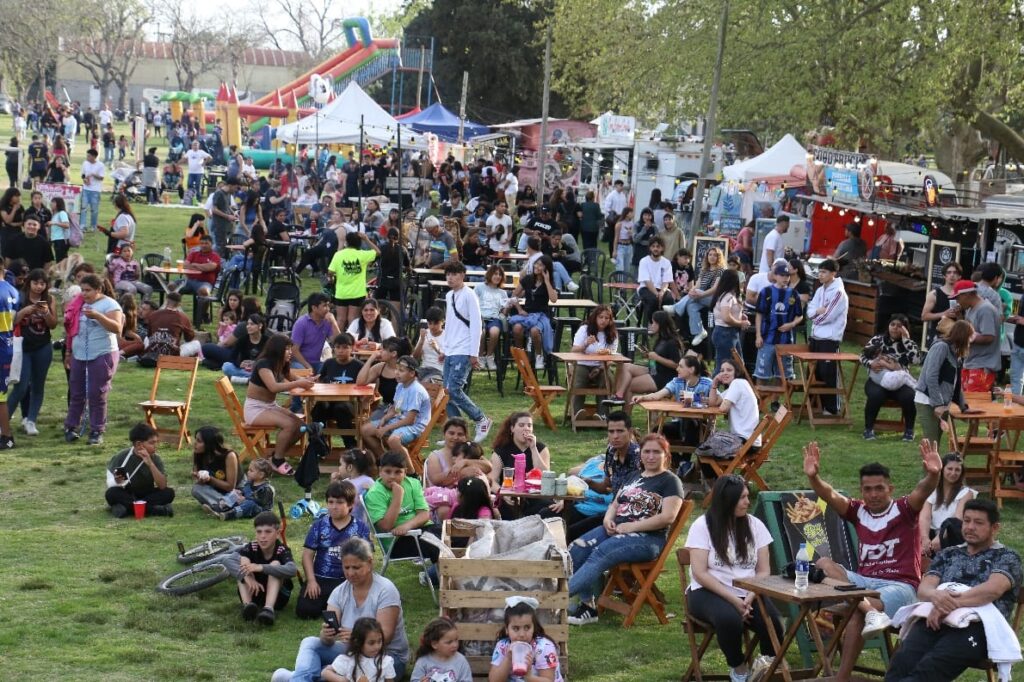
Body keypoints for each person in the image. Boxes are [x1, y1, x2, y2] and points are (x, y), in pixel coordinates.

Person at [802, 439, 942, 682]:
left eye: (879, 488)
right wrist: (814, 478)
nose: (873, 494)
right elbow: (830, 494)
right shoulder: (858, 511)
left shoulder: (904, 509)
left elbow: (923, 489)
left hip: (900, 585)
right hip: (863, 583)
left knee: (858, 613)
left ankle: (841, 678)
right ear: (861, 490)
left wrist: (934, 475)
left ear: (890, 488)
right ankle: (867, 608)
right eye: (867, 489)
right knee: (823, 563)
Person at [885, 498, 1022, 682]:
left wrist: (946, 605)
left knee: (929, 669)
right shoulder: (949, 554)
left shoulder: (1007, 557)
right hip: (935, 619)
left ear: (994, 528)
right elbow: (924, 589)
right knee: (901, 661)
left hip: (979, 628)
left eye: (978, 522)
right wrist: (936, 596)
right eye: (967, 520)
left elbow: (992, 590)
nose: (970, 527)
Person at [567, 433, 684, 626]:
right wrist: (607, 520)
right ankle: (587, 606)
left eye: (657, 452)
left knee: (601, 552)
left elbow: (667, 517)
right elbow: (614, 504)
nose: (651, 456)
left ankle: (554, 600)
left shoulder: (670, 481)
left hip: (647, 539)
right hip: (617, 530)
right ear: (640, 454)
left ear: (666, 455)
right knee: (577, 548)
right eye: (647, 451)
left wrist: (631, 527)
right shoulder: (634, 476)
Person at [685, 475, 784, 682]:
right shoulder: (702, 526)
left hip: (749, 591)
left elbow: (764, 571)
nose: (748, 502)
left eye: (747, 496)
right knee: (729, 619)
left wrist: (750, 596)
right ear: (727, 500)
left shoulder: (755, 525)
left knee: (773, 622)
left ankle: (765, 669)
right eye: (742, 498)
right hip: (708, 591)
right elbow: (700, 573)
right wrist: (733, 600)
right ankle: (739, 670)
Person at [272, 538, 410, 682]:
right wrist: (326, 635)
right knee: (310, 643)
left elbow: (386, 636)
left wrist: (358, 638)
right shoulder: (339, 592)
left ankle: (291, 677)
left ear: (369, 563)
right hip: (352, 653)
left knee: (335, 675)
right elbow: (329, 639)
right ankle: (299, 678)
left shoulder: (385, 590)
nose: (350, 573)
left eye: (356, 567)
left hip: (386, 656)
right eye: (346, 567)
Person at [295, 480, 371, 620]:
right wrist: (311, 581)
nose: (334, 506)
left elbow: (366, 560)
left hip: (348, 580)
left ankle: (336, 605)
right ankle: (329, 604)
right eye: (330, 502)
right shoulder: (318, 526)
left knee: (358, 611)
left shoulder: (361, 528)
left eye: (340, 502)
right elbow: (307, 555)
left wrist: (360, 583)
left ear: (351, 505)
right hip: (320, 578)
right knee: (305, 611)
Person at [244, 334, 316, 476]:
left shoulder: (281, 364)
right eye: (287, 349)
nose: (290, 352)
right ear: (277, 349)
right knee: (289, 425)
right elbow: (273, 387)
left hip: (270, 405)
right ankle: (278, 460)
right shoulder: (263, 364)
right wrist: (298, 383)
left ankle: (276, 455)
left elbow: (294, 378)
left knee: (301, 426)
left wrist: (308, 380)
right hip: (255, 409)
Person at [64, 274, 123, 445]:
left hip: (102, 354)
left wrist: (98, 316)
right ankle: (71, 427)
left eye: (88, 290)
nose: (84, 293)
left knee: (97, 393)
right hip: (79, 354)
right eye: (82, 290)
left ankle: (97, 430)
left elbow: (117, 328)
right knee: (76, 392)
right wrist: (68, 352)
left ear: (98, 289)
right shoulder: (79, 303)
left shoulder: (110, 304)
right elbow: (71, 329)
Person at [441, 261, 493, 442]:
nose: (450, 278)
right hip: (451, 349)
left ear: (462, 275)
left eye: (454, 274)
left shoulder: (469, 295)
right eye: (448, 274)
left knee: (454, 389)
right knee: (447, 393)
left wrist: (474, 353)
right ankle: (457, 433)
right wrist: (444, 348)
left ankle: (481, 419)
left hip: (464, 349)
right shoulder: (449, 295)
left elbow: (477, 325)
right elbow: (449, 324)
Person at [568, 411, 640, 540]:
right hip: (611, 510)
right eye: (611, 431)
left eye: (620, 431)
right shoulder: (611, 452)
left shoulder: (637, 456)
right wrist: (588, 482)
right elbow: (605, 488)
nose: (615, 436)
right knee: (558, 521)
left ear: (630, 432)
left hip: (627, 515)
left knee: (571, 533)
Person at [225, 511, 297, 626]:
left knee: (275, 564)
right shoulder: (251, 547)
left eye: (268, 531)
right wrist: (247, 577)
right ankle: (248, 607)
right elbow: (227, 560)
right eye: (259, 532)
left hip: (278, 598)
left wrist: (261, 567)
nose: (263, 536)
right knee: (243, 568)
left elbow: (292, 570)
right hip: (254, 593)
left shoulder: (282, 550)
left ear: (278, 533)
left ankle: (268, 609)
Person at [360, 356, 432, 470]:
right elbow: (395, 408)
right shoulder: (400, 385)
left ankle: (411, 472)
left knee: (393, 440)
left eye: (401, 370)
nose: (397, 373)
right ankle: (385, 460)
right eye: (396, 369)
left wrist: (386, 428)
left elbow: (410, 420)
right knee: (365, 430)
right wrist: (385, 418)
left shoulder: (416, 390)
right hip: (399, 420)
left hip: (414, 426)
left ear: (412, 373)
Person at [8, 268, 56, 436]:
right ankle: (4, 421)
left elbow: (53, 324)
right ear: (29, 283)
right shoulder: (19, 297)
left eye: (42, 283)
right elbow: (11, 321)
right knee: (21, 387)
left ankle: (31, 420)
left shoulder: (49, 299)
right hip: (23, 347)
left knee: (38, 385)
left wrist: (46, 313)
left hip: (43, 346)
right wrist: (24, 311)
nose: (39, 287)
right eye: (36, 283)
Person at [860, 314, 923, 441]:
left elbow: (917, 360)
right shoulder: (878, 339)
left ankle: (909, 430)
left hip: (899, 381)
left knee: (909, 396)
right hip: (878, 379)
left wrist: (906, 340)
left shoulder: (908, 344)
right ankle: (868, 429)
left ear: (905, 329)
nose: (895, 328)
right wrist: (871, 364)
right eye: (892, 324)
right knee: (876, 395)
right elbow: (862, 356)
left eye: (899, 326)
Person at [915, 320, 972, 449]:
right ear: (963, 336)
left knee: (936, 445)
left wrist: (963, 407)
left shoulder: (956, 353)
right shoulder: (941, 347)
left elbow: (956, 383)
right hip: (927, 401)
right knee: (931, 445)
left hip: (942, 403)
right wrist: (938, 404)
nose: (970, 341)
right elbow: (931, 376)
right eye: (969, 337)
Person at [607, 310, 683, 407]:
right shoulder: (660, 339)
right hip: (654, 371)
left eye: (654, 323)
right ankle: (618, 395)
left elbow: (676, 365)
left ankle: (620, 402)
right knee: (625, 366)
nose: (651, 325)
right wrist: (649, 357)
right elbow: (654, 362)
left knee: (629, 385)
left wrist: (657, 358)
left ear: (661, 324)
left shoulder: (672, 342)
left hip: (664, 377)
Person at [488, 412, 557, 518]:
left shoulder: (540, 448)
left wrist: (533, 448)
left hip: (536, 496)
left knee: (548, 509)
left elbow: (545, 476)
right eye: (521, 425)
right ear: (512, 429)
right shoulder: (501, 450)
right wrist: (503, 493)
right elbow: (491, 480)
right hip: (510, 495)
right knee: (503, 509)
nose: (526, 428)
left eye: (529, 425)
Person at [104, 422, 176, 517]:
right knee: (111, 493)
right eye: (152, 443)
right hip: (128, 493)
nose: (156, 446)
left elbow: (162, 486)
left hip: (147, 493)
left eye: (156, 442)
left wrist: (150, 464)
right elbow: (111, 483)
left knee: (169, 493)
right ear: (139, 444)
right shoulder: (121, 457)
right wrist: (117, 481)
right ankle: (155, 510)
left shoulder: (155, 459)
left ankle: (125, 508)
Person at [806, 259, 848, 414]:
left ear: (833, 273)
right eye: (819, 271)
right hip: (815, 337)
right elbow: (810, 310)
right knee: (813, 372)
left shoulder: (839, 293)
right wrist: (817, 312)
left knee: (827, 373)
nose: (820, 275)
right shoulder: (819, 290)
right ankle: (815, 405)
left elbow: (829, 316)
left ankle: (831, 408)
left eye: (824, 272)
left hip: (829, 339)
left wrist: (815, 317)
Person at [489, 597, 565, 681]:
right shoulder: (502, 646)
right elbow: (494, 680)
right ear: (507, 629)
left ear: (534, 627)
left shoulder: (544, 647)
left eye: (527, 627)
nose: (522, 634)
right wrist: (508, 658)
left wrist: (529, 677)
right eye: (516, 628)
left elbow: (549, 680)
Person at [753, 261, 802, 384]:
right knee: (762, 373)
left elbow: (800, 315)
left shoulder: (793, 293)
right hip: (767, 339)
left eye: (787, 275)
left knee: (783, 375)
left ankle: (777, 396)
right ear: (774, 276)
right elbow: (759, 314)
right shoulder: (766, 292)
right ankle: (760, 395)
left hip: (785, 341)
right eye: (782, 275)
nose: (785, 278)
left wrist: (791, 324)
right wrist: (758, 335)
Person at [919, 453, 976, 559]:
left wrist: (940, 537)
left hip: (951, 535)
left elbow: (957, 519)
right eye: (950, 469)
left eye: (957, 470)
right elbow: (925, 517)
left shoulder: (966, 493)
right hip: (931, 533)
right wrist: (925, 538)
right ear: (942, 469)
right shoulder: (931, 490)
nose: (953, 473)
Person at [313, 333, 365, 446]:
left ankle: (350, 444)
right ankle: (318, 443)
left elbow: (368, 384)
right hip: (329, 402)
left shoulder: (359, 365)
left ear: (352, 348)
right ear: (334, 349)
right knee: (319, 407)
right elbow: (319, 380)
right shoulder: (328, 363)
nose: (341, 351)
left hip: (350, 404)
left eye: (345, 347)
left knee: (341, 408)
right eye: (338, 347)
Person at [509, 255, 559, 370]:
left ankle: (538, 355)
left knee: (535, 331)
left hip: (542, 315)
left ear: (546, 268)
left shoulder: (549, 282)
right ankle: (521, 355)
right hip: (528, 314)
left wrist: (547, 281)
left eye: (541, 265)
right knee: (516, 328)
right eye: (536, 263)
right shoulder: (528, 279)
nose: (537, 266)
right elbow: (514, 295)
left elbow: (554, 299)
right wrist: (519, 309)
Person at [666, 246, 725, 345]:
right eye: (710, 255)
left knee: (696, 293)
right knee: (691, 306)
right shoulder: (704, 269)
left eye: (715, 255)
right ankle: (700, 332)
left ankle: (675, 308)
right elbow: (697, 285)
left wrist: (700, 294)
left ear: (719, 257)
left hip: (714, 298)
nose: (712, 257)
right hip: (702, 297)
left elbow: (715, 288)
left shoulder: (721, 270)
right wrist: (691, 291)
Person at [569, 304, 618, 419]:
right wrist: (585, 344)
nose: (603, 320)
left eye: (606, 318)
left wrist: (600, 368)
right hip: (583, 364)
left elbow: (612, 356)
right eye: (601, 317)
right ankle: (577, 414)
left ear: (610, 320)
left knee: (605, 380)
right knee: (579, 382)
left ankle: (602, 415)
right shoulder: (584, 329)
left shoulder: (612, 334)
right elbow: (574, 350)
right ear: (595, 317)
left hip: (601, 366)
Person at [951, 279, 1001, 393]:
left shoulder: (985, 309)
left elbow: (989, 337)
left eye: (958, 298)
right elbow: (968, 329)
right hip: (971, 363)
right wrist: (959, 317)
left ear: (967, 295)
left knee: (974, 402)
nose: (957, 302)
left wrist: (965, 337)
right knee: (964, 400)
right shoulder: (971, 308)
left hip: (982, 366)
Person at [329, 232, 381, 331]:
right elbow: (378, 252)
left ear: (347, 242)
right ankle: (352, 339)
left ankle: (337, 339)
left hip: (341, 293)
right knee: (352, 319)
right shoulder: (362, 254)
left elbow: (330, 271)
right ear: (359, 243)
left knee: (340, 319)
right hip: (357, 293)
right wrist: (366, 239)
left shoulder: (338, 254)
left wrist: (331, 279)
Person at [321, 617, 397, 682]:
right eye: (371, 643)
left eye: (379, 641)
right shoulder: (348, 659)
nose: (377, 646)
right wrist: (343, 680)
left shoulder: (385, 662)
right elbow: (325, 672)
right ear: (358, 642)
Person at [707, 359, 761, 446]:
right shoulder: (737, 385)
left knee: (705, 443)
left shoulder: (737, 383)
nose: (724, 373)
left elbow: (723, 408)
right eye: (722, 371)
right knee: (707, 441)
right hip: (749, 440)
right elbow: (713, 403)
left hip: (745, 441)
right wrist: (714, 383)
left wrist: (724, 402)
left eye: (729, 370)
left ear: (737, 372)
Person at [203, 458, 275, 521]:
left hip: (260, 512)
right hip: (245, 503)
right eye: (249, 470)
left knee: (250, 504)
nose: (248, 472)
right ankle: (219, 507)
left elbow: (260, 501)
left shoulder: (266, 489)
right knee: (235, 494)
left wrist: (244, 499)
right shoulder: (249, 483)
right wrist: (239, 492)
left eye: (251, 471)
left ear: (261, 475)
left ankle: (228, 515)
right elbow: (244, 491)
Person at [189, 425, 241, 509]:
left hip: (236, 492)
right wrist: (199, 477)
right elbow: (200, 482)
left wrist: (210, 479)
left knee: (235, 494)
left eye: (199, 441)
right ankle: (224, 505)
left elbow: (230, 487)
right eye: (196, 439)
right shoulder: (199, 454)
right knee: (196, 489)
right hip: (215, 491)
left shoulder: (229, 456)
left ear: (209, 444)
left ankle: (224, 505)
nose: (195, 443)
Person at [709, 269, 750, 373]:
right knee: (723, 366)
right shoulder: (727, 297)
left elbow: (729, 312)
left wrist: (740, 316)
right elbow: (726, 317)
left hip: (729, 333)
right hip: (725, 333)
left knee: (738, 364)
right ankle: (714, 383)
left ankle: (733, 382)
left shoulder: (725, 295)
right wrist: (741, 323)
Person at [411, 617, 473, 682]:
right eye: (449, 642)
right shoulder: (423, 661)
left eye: (456, 640)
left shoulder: (461, 661)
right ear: (435, 644)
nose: (455, 645)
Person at [637, 236, 675, 323]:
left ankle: (667, 325)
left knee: (669, 300)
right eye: (653, 246)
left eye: (658, 246)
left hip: (661, 289)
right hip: (646, 288)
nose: (655, 249)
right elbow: (646, 281)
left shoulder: (666, 262)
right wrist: (657, 294)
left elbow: (666, 281)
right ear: (650, 248)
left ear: (662, 248)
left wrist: (662, 292)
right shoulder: (644, 261)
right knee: (653, 300)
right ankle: (653, 324)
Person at [413, 306, 446, 383]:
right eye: (430, 323)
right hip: (423, 368)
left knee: (427, 383)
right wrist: (421, 340)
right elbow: (415, 356)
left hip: (438, 370)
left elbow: (449, 360)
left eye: (436, 323)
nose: (432, 326)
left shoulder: (447, 336)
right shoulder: (425, 333)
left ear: (442, 322)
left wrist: (437, 349)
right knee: (408, 379)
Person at [79, 148, 104, 232]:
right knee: (83, 208)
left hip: (95, 190)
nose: (87, 157)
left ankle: (93, 225)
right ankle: (82, 225)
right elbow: (82, 174)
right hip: (85, 189)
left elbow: (101, 178)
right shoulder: (85, 163)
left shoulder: (100, 165)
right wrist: (84, 179)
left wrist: (93, 174)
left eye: (89, 156)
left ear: (94, 157)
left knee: (94, 210)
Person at [611, 207, 636, 274]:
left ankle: (625, 280)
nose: (633, 214)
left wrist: (631, 234)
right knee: (620, 267)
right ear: (627, 214)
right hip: (621, 246)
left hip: (629, 246)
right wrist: (614, 250)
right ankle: (619, 280)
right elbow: (616, 238)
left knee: (627, 268)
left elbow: (633, 238)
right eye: (631, 212)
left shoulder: (632, 223)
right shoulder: (619, 224)